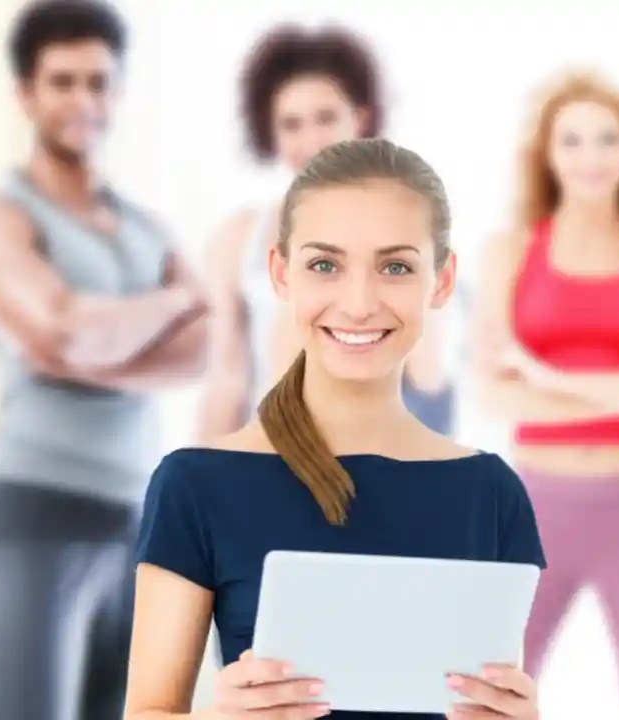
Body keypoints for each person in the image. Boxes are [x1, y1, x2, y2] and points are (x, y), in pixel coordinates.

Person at [122, 138, 544, 720]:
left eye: (395, 267)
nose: (359, 303)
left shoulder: (491, 495)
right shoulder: (195, 484)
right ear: (280, 272)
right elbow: (146, 710)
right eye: (326, 265)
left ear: (442, 281)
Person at [0, 1, 209, 717]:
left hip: (138, 518)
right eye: (63, 81)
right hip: (38, 506)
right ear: (26, 94)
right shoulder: (0, 218)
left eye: (99, 82)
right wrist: (165, 305)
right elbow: (66, 331)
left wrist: (80, 347)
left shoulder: (142, 225)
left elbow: (205, 346)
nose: (83, 100)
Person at [470, 71, 619, 720]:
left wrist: (549, 379)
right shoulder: (509, 252)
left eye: (608, 140)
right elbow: (492, 394)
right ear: (546, 154)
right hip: (535, 510)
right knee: (486, 698)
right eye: (571, 140)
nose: (591, 157)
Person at [198, 24, 455, 444]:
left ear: (361, 118)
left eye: (326, 118)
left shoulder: (409, 223)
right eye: (292, 124)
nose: (312, 140)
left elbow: (430, 380)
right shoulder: (238, 238)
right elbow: (227, 379)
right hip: (274, 460)